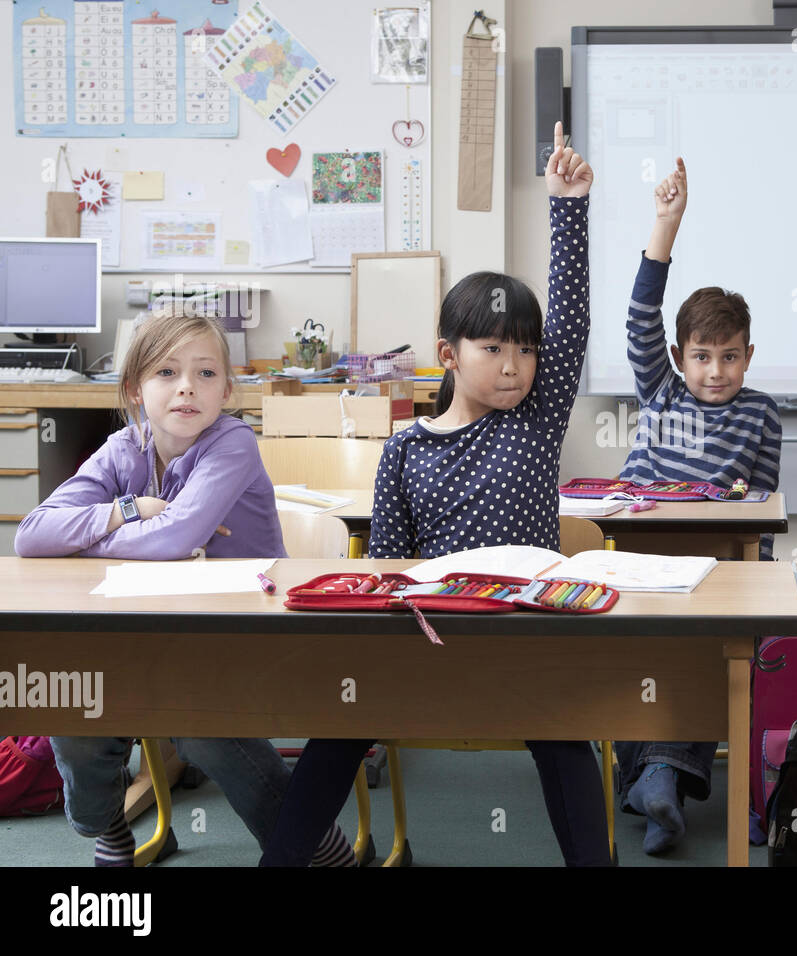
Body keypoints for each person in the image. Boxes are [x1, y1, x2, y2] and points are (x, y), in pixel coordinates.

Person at [259, 122, 611, 867]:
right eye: (494, 347)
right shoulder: (406, 449)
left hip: (523, 638)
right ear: (449, 355)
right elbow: (386, 567)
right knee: (337, 726)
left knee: (566, 738)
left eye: (526, 348)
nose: (515, 365)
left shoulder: (537, 422)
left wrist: (568, 208)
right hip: (433, 639)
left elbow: (573, 322)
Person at [15, 307, 352, 866]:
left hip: (244, 634)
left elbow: (175, 540)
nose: (186, 388)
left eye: (205, 373)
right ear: (134, 389)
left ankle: (310, 844)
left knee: (196, 724)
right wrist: (129, 510)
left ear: (227, 388)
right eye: (166, 373)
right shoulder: (124, 448)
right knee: (72, 700)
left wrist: (95, 539)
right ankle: (113, 826)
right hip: (145, 631)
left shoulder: (232, 443)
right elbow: (31, 536)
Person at [614, 157, 784, 854]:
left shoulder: (763, 414)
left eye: (730, 357)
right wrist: (666, 223)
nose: (716, 372)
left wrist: (763, 578)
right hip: (640, 558)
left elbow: (766, 501)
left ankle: (658, 779)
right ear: (681, 357)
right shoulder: (662, 390)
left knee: (717, 651)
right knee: (631, 653)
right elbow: (639, 313)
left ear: (749, 356)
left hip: (713, 568)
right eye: (703, 356)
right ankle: (654, 776)